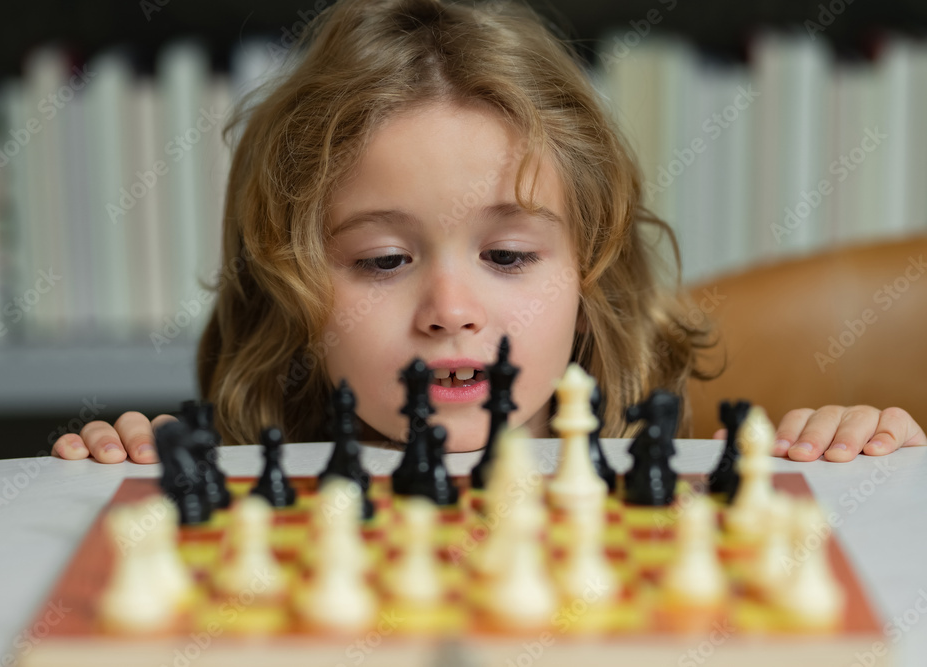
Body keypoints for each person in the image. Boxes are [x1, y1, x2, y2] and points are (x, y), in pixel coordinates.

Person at [52, 0, 925, 465]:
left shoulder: (675, 485)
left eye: (507, 254)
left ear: (593, 272)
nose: (451, 309)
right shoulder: (247, 495)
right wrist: (120, 472)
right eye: (383, 259)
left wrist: (861, 460)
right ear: (287, 292)